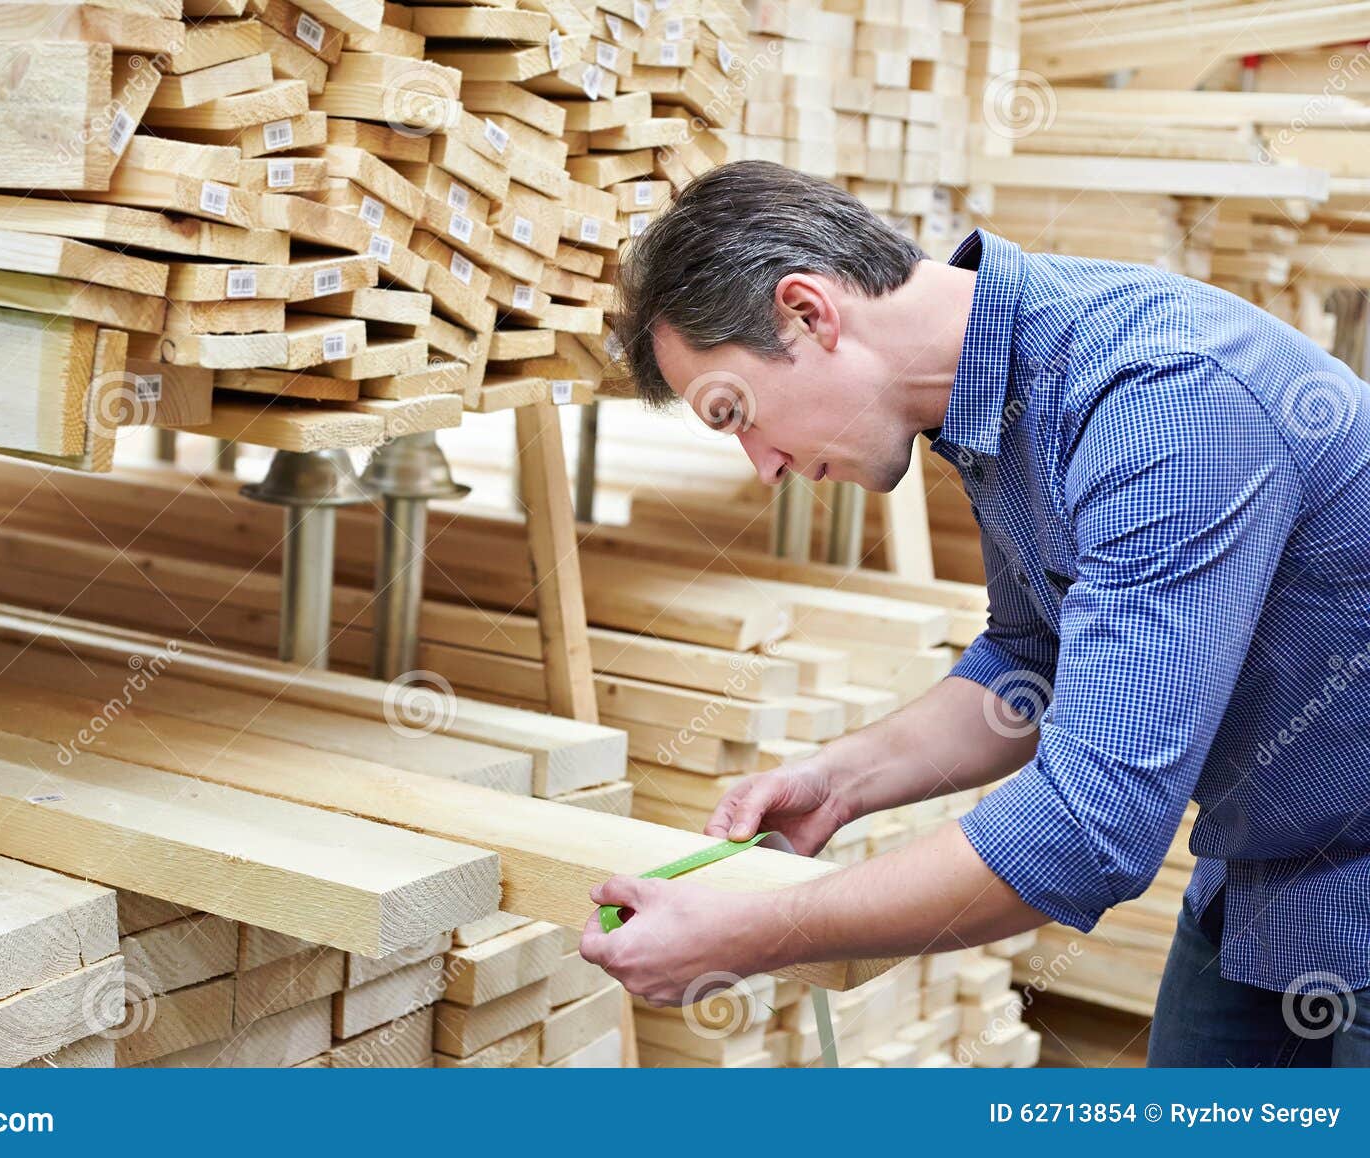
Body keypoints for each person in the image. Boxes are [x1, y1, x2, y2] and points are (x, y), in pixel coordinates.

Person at [576, 160, 1370, 1066]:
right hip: (1274, 868)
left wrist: (752, 932)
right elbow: (1032, 663)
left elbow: (1088, 826)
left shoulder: (1160, 401)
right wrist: (840, 781)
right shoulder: (992, 391)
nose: (764, 465)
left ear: (807, 311)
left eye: (735, 411)